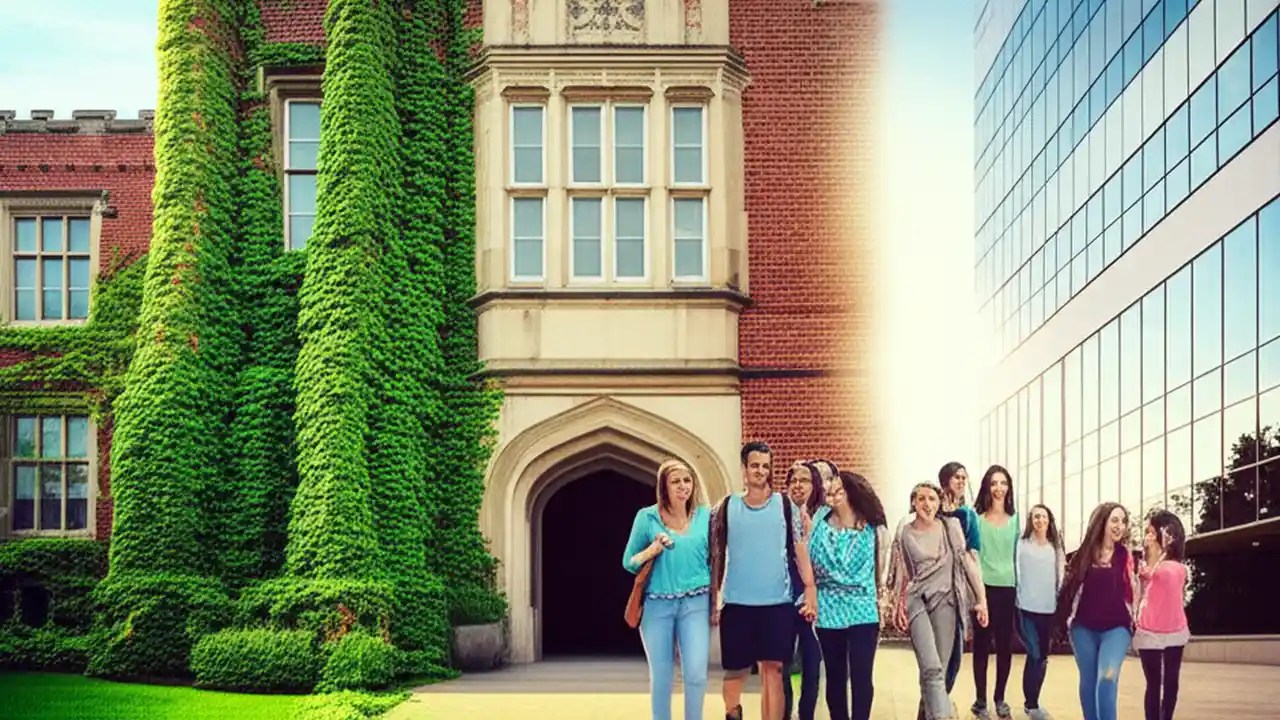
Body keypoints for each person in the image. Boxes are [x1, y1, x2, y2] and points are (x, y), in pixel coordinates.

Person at [710, 441, 818, 720]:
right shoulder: (725, 507)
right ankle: (733, 711)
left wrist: (810, 587)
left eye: (766, 466)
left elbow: (799, 547)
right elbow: (717, 554)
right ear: (744, 469)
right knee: (737, 671)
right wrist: (714, 598)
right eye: (755, 465)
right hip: (736, 603)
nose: (761, 471)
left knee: (774, 669)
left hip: (777, 603)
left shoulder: (784, 506)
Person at [889, 482, 988, 720]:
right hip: (916, 602)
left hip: (946, 602)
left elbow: (967, 564)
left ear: (939, 502)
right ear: (913, 501)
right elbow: (900, 572)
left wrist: (981, 599)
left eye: (932, 499)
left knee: (939, 673)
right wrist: (896, 604)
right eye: (921, 499)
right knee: (931, 668)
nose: (927, 504)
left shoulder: (951, 527)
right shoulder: (904, 530)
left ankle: (926, 714)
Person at [622, 458, 712, 720]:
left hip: (696, 602)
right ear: (664, 486)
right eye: (676, 481)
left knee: (696, 674)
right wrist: (652, 550)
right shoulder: (647, 517)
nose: (683, 486)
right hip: (657, 605)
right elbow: (628, 562)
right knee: (662, 677)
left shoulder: (706, 516)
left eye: (687, 480)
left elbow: (717, 557)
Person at [809, 469, 888, 720]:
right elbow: (811, 560)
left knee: (862, 675)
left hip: (863, 609)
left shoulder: (873, 527)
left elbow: (880, 569)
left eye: (839, 488)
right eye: (830, 488)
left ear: (852, 492)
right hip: (828, 607)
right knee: (835, 675)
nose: (833, 492)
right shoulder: (820, 520)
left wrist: (882, 600)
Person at [1057, 502, 1137, 720]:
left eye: (1123, 521)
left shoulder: (1125, 557)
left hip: (1117, 629)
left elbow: (1133, 591)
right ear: (1102, 522)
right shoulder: (1082, 556)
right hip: (1083, 630)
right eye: (1115, 520)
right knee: (1089, 680)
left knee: (1107, 679)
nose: (1120, 526)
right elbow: (1067, 592)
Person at [781, 460, 829, 720]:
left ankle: (807, 715)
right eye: (794, 481)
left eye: (805, 480)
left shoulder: (826, 517)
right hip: (783, 598)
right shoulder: (778, 513)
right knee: (783, 665)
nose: (798, 486)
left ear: (815, 486)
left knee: (812, 664)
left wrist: (810, 535)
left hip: (815, 600)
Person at [971, 465, 1019, 720]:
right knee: (981, 646)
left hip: (1008, 589)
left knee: (1004, 646)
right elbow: (974, 556)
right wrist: (978, 596)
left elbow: (1019, 557)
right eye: (994, 483)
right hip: (984, 590)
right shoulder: (977, 520)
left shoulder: (1017, 521)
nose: (998, 488)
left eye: (1003, 483)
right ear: (987, 487)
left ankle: (1000, 698)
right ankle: (980, 701)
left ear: (1008, 487)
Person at [1135, 510, 1190, 720]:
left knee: (1170, 683)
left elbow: (1163, 573)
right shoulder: (1144, 564)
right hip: (1148, 631)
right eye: (1146, 532)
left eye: (1152, 531)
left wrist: (1154, 557)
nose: (1147, 536)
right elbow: (1141, 584)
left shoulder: (1177, 568)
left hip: (1175, 631)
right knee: (1153, 684)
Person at [1014, 503, 1066, 720]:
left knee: (1042, 657)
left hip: (1048, 610)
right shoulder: (1021, 544)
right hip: (1025, 608)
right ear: (1031, 521)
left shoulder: (1055, 548)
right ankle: (1031, 704)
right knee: (1034, 653)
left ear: (1049, 520)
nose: (1040, 520)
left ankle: (1033, 701)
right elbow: (1015, 570)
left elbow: (1061, 577)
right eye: (1036, 517)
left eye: (1043, 516)